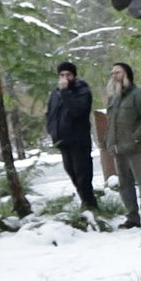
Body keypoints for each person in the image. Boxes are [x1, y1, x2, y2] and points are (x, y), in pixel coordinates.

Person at [101, 62, 141, 229]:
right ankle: (132, 217)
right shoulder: (114, 98)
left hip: (137, 148)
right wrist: (109, 141)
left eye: (118, 73)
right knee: (124, 185)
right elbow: (110, 122)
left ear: (127, 74)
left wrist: (136, 137)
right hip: (118, 148)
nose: (114, 76)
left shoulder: (140, 95)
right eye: (113, 73)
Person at [45, 61, 100, 214]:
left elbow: (77, 110)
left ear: (74, 76)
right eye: (62, 75)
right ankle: (86, 203)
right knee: (71, 173)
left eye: (68, 75)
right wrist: (51, 131)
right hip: (63, 141)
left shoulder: (82, 91)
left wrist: (65, 92)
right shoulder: (55, 94)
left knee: (83, 175)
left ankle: (90, 206)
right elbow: (50, 113)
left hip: (79, 140)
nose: (64, 78)